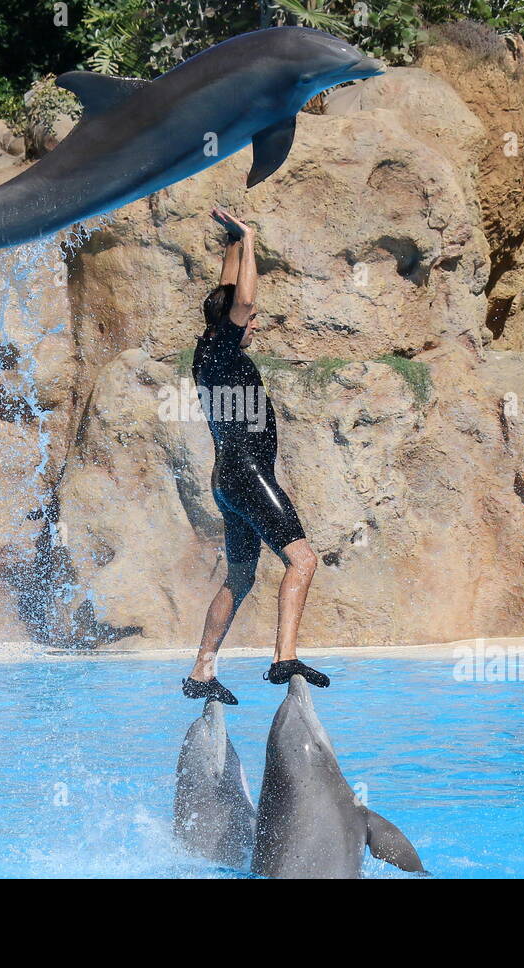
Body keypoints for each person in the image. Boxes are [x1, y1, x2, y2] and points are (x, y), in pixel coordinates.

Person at [181, 208, 327, 705]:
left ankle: (202, 671)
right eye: (251, 319)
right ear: (232, 322)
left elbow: (227, 297)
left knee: (240, 577)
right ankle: (284, 656)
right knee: (302, 560)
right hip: (246, 472)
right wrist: (250, 238)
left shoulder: (209, 348)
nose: (255, 322)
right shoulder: (222, 347)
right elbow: (241, 299)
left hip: (228, 478)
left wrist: (231, 246)